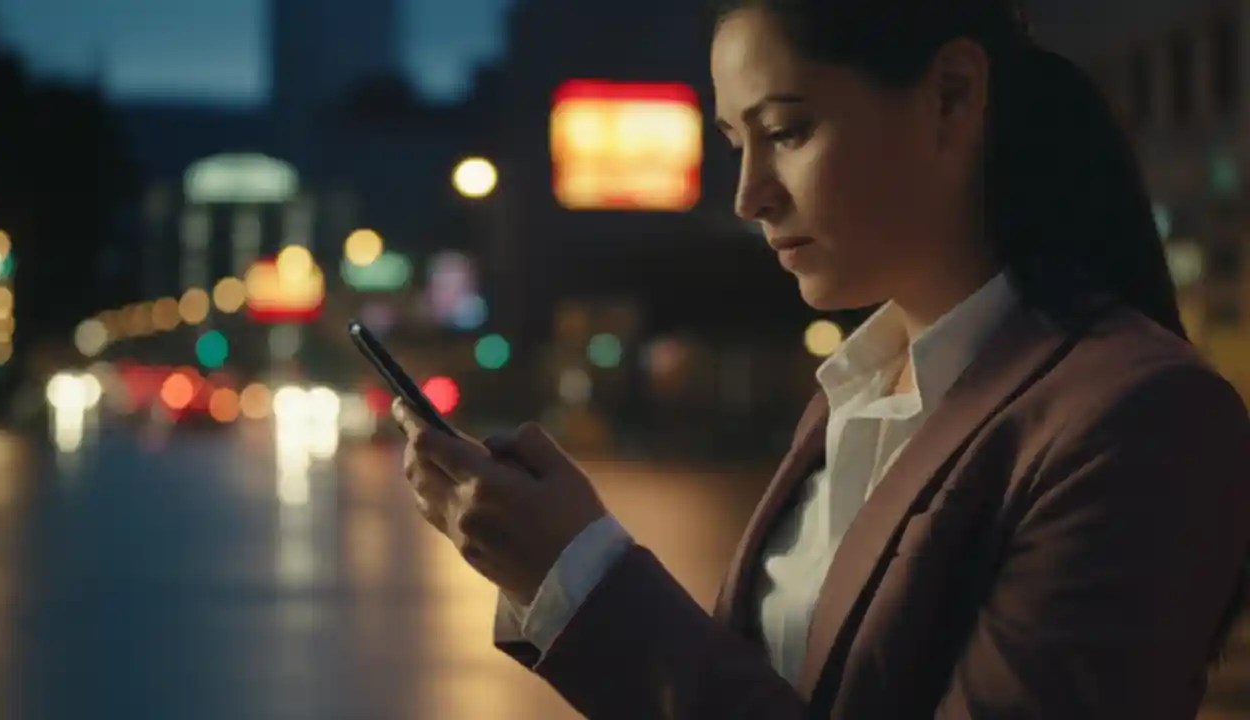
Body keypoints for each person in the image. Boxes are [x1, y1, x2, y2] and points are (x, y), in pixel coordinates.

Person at [390, 0, 1250, 716]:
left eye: (788, 132)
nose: (748, 194)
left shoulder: (1141, 419)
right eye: (736, 143)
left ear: (952, 97)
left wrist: (580, 576)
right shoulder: (854, 391)